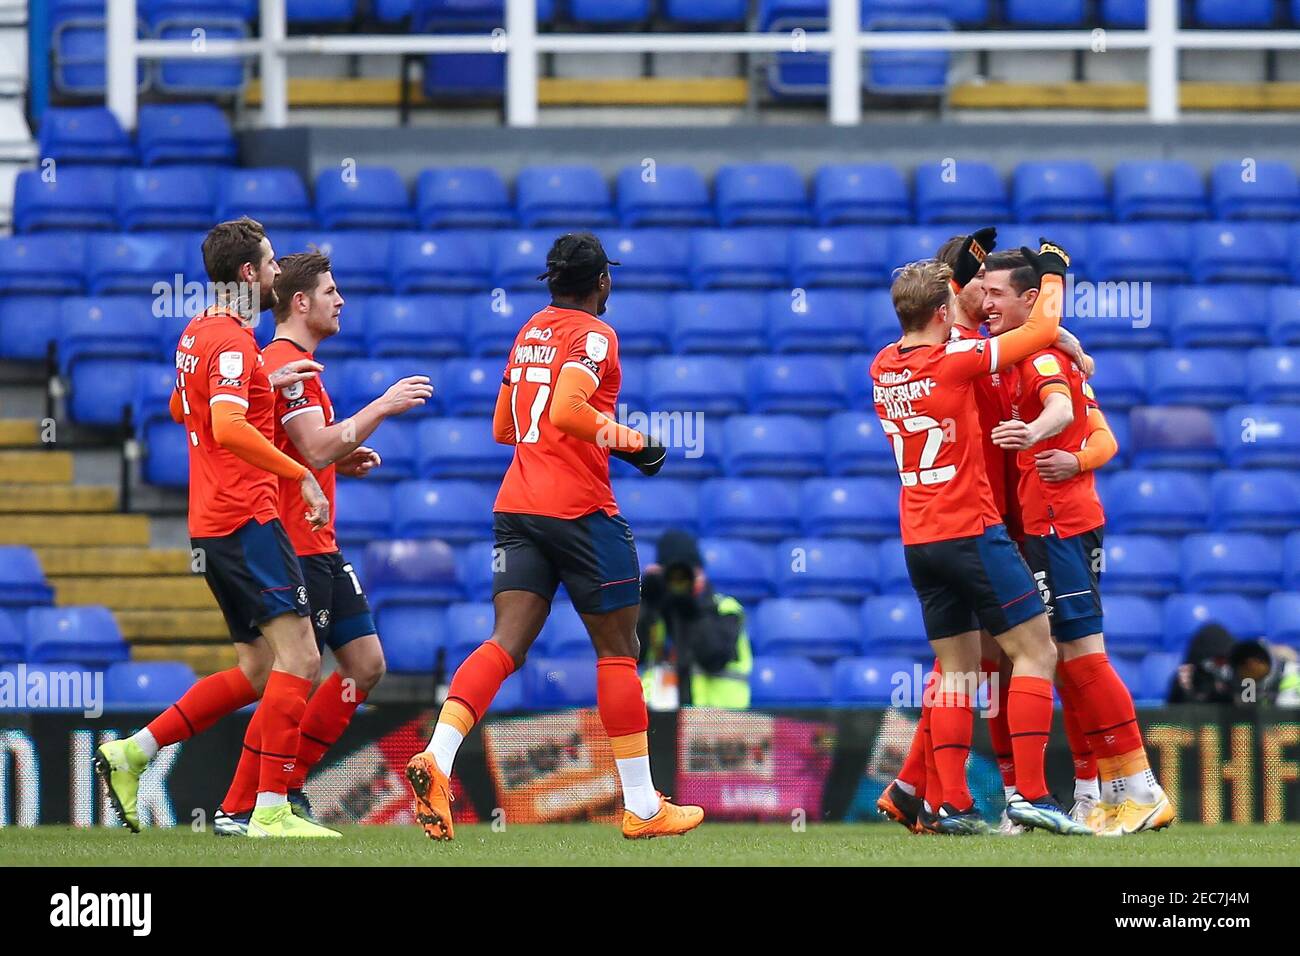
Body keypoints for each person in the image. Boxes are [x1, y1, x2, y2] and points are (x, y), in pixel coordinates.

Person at [404, 231, 703, 841]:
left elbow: (504, 426)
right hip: (580, 511)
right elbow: (568, 411)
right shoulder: (595, 334)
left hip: (516, 505)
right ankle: (643, 807)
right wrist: (635, 441)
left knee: (506, 645)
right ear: (603, 282)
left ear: (552, 284)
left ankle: (438, 754)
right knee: (618, 650)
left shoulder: (530, 330)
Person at [95, 217, 339, 838]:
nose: (280, 271)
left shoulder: (198, 335)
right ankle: (270, 810)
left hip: (210, 523)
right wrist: (301, 474)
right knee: (303, 657)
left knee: (259, 670)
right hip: (246, 516)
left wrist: (263, 381)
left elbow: (187, 406)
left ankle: (134, 752)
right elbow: (228, 427)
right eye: (271, 261)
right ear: (248, 274)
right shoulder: (232, 342)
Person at [870, 236, 1091, 836]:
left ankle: (951, 805)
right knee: (1036, 651)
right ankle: (1035, 795)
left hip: (918, 538)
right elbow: (1041, 326)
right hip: (972, 528)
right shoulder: (958, 360)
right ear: (943, 309)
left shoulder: (882, 366)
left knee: (957, 671)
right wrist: (1051, 268)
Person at [212, 251, 433, 836]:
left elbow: (309, 450)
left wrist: (342, 459)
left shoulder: (297, 364)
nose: (341, 301)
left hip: (321, 542)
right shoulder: (283, 362)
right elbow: (312, 449)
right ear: (301, 302)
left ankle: (284, 786)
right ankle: (247, 802)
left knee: (364, 664)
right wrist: (382, 406)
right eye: (331, 291)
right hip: (295, 543)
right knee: (295, 672)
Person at [985, 248, 1174, 837]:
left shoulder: (1038, 355)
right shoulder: (1041, 349)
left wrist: (1036, 435)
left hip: (1056, 524)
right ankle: (1108, 792)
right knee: (1070, 656)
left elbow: (1063, 407)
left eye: (996, 294)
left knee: (1081, 655)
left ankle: (1138, 788)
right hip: (1061, 521)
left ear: (1027, 299)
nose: (986, 304)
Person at [637, 529, 752, 710]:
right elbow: (633, 654)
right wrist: (646, 601)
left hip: (717, 722)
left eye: (686, 572)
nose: (679, 580)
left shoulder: (726, 609)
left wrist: (691, 607)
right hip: (660, 718)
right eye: (671, 573)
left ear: (701, 572)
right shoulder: (657, 610)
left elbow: (713, 657)